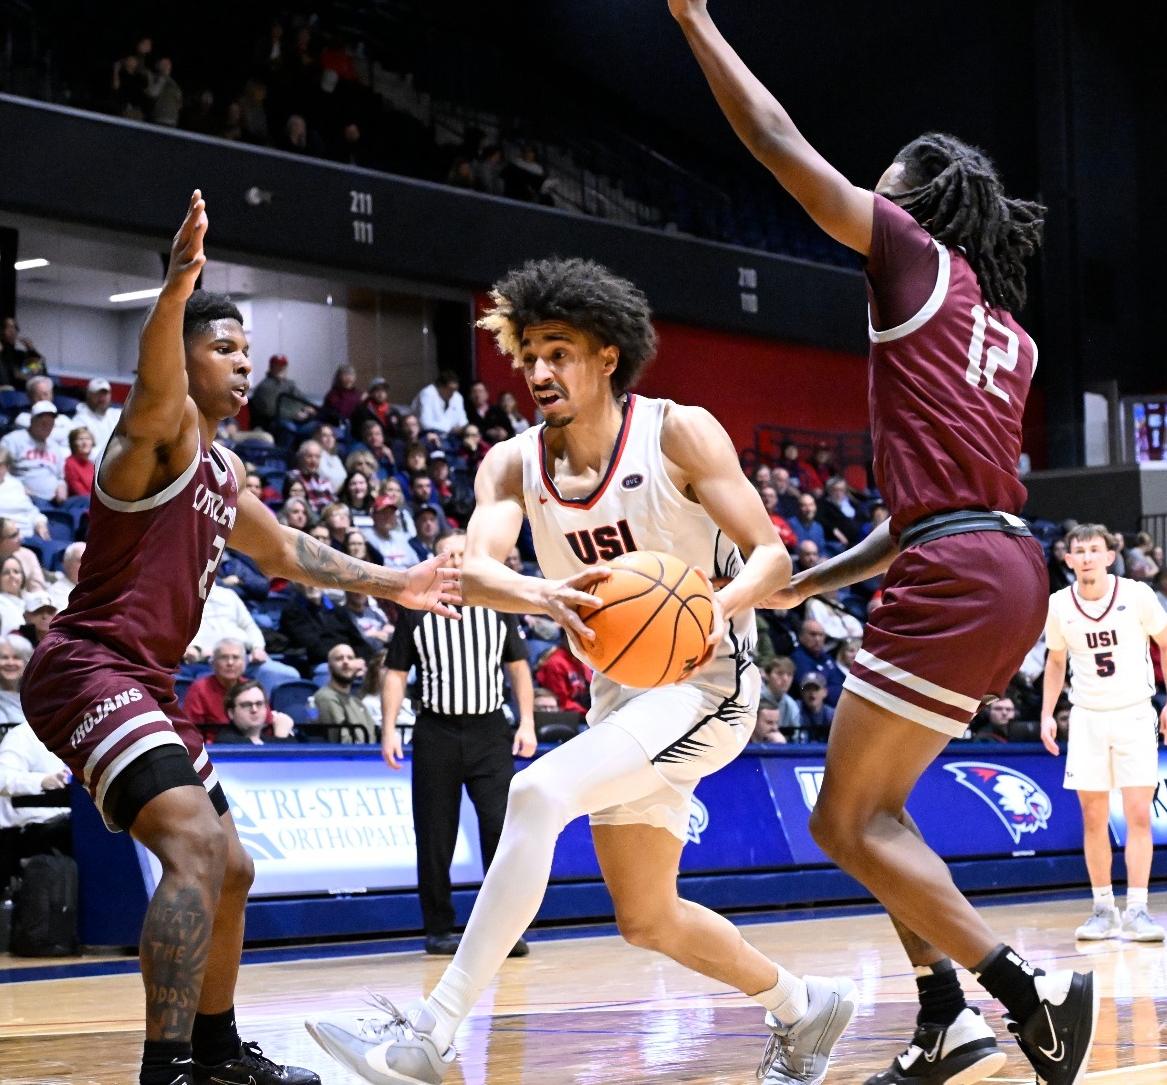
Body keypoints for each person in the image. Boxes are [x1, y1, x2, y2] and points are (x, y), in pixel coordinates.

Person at [672, 0, 1094, 1081]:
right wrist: (815, 579)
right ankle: (942, 1009)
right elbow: (944, 498)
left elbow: (775, 143)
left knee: (842, 822)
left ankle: (1025, 988)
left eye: (887, 180)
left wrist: (693, 21)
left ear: (918, 198)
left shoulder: (910, 255)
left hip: (958, 567)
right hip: (994, 556)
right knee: (882, 810)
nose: (872, 190)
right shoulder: (1004, 327)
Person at [306, 256, 854, 1085]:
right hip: (623, 695)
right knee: (647, 917)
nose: (538, 371)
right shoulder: (512, 463)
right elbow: (477, 569)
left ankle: (430, 1031)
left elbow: (773, 557)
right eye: (527, 354)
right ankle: (802, 1005)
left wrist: (713, 607)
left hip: (708, 685)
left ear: (607, 356)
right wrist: (538, 591)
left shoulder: (679, 431)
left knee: (535, 793)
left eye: (558, 352)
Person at [22, 192, 454, 1085]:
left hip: (148, 684)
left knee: (236, 869)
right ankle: (165, 1069)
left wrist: (397, 582)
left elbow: (293, 552)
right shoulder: (157, 435)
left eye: (248, 351)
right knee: (192, 848)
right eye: (224, 348)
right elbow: (152, 384)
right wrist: (177, 287)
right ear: (184, 359)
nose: (243, 364)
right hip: (87, 664)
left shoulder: (222, 469)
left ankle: (217, 1057)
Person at [377, 532, 536, 953]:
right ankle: (439, 928)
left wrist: (528, 723)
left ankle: (505, 928)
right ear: (438, 562)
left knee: (501, 832)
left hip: (490, 731)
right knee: (434, 834)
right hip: (436, 732)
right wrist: (389, 728)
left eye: (465, 554)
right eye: (450, 555)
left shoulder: (498, 605)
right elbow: (394, 672)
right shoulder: (415, 610)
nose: (458, 561)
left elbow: (518, 666)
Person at [1038, 523, 1167, 943]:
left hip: (1135, 713)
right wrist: (1048, 712)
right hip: (1086, 718)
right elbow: (1055, 662)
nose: (1086, 557)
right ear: (1067, 560)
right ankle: (1103, 909)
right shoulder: (1059, 603)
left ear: (1109, 555)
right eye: (1078, 551)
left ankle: (1138, 910)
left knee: (1138, 814)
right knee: (1093, 816)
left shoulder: (1136, 594)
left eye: (1093, 550)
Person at [2, 402, 71, 503]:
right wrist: (18, 489)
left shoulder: (55, 447)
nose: (47, 426)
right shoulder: (13, 440)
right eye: (43, 423)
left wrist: (61, 486)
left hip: (53, 501)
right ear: (32, 421)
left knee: (85, 502)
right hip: (25, 499)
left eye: (51, 423)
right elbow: (0, 471)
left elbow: (59, 477)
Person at [0, 445, 51, 537]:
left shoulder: (15, 483)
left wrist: (40, 524)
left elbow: (31, 511)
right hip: (3, 538)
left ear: (7, 467)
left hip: (29, 534)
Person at [313, 643, 375, 743]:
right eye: (339, 658)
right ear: (330, 668)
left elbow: (372, 735)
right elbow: (341, 741)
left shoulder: (357, 701)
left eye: (350, 658)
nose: (345, 662)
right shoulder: (326, 697)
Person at [248, 354, 320, 438]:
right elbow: (271, 410)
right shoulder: (264, 387)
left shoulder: (290, 384)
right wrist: (295, 414)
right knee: (287, 427)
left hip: (296, 420)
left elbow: (300, 399)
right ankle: (284, 451)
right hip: (274, 422)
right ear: (271, 367)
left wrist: (307, 408)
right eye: (277, 366)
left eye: (283, 366)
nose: (280, 369)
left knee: (318, 427)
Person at [211, 680, 297, 746]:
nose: (254, 709)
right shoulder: (225, 741)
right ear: (231, 713)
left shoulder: (268, 739)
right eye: (246, 705)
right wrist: (281, 737)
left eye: (259, 704)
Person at [73, 379, 123, 462]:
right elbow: (85, 452)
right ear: (88, 396)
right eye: (97, 394)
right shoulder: (79, 420)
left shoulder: (117, 414)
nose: (102, 398)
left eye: (105, 393)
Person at [412, 370, 467, 436]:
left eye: (455, 389)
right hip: (429, 434)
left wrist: (463, 429)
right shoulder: (427, 394)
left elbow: (462, 421)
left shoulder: (457, 397)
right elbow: (425, 423)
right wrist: (450, 429)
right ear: (440, 386)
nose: (452, 393)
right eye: (450, 389)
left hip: (452, 436)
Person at [65, 426, 98, 500]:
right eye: (80, 439)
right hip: (80, 505)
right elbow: (80, 492)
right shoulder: (70, 463)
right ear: (73, 443)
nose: (85, 443)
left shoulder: (92, 466)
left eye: (88, 439)